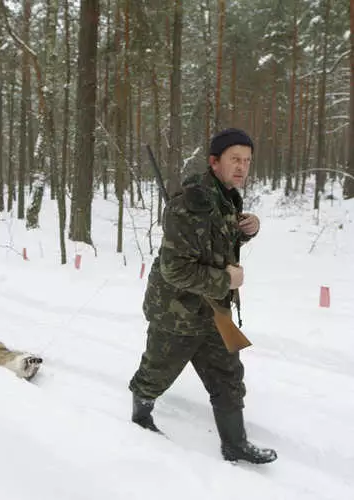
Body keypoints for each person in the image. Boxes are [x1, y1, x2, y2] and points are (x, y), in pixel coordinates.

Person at [129, 128, 277, 464]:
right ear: (214, 162)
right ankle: (140, 419)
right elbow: (175, 270)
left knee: (228, 375)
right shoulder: (191, 203)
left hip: (213, 308)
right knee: (156, 373)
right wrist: (227, 278)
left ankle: (235, 444)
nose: (242, 167)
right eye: (234, 159)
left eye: (247, 161)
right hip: (176, 310)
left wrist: (247, 229)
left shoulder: (225, 196)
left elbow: (214, 242)